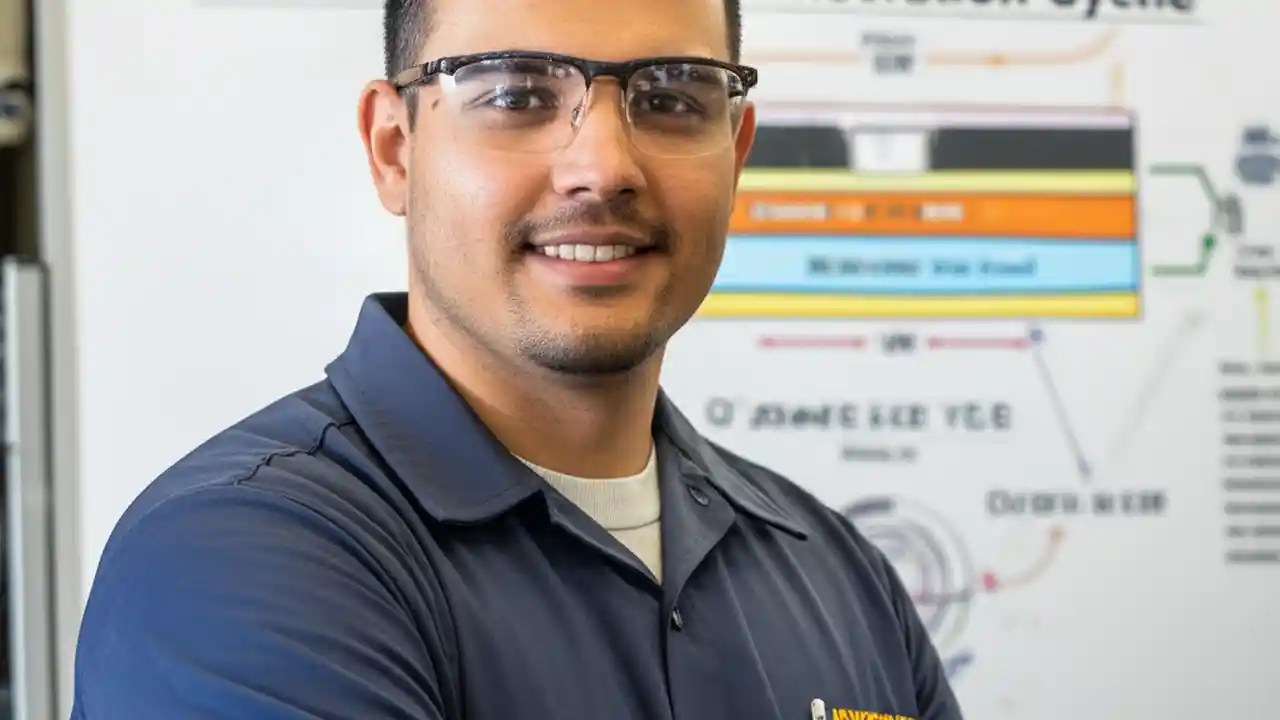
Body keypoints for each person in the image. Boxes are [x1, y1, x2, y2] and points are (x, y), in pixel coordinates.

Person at [71, 0, 964, 717]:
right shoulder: (238, 560)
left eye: (670, 97)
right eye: (515, 95)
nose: (604, 167)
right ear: (395, 149)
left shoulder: (837, 572)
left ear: (734, 152)